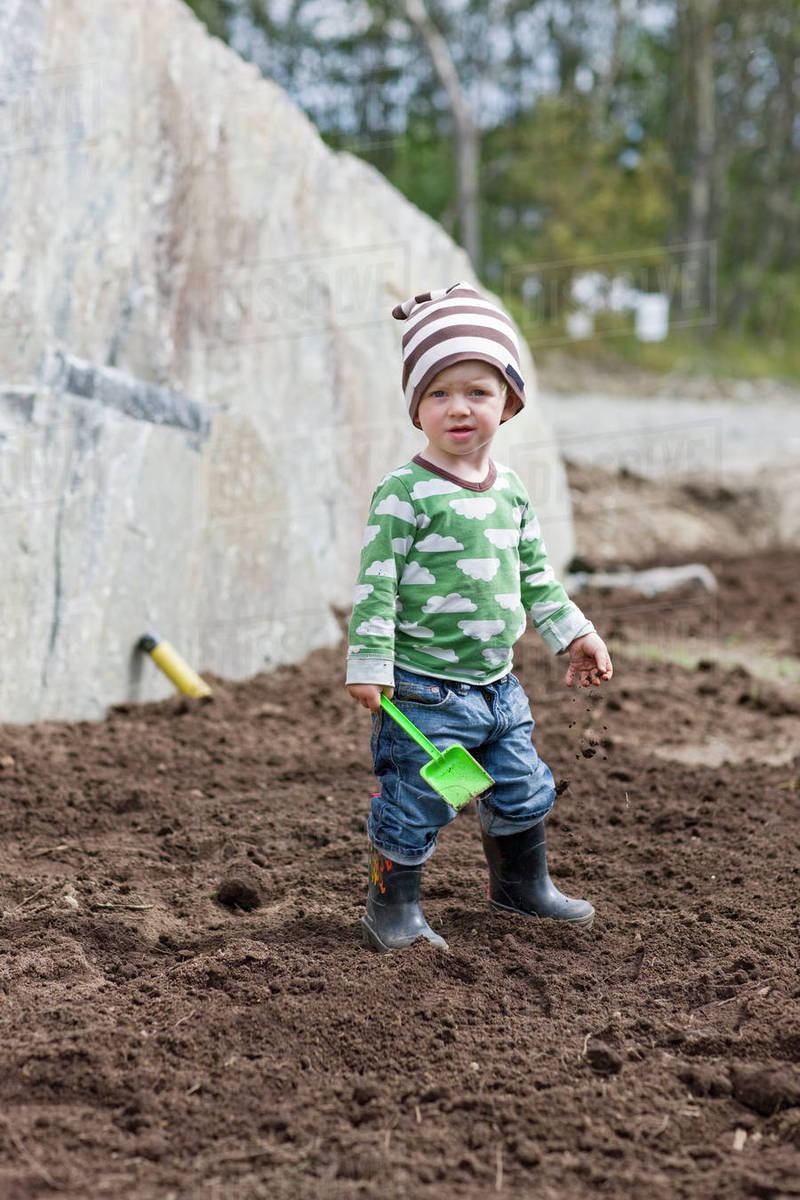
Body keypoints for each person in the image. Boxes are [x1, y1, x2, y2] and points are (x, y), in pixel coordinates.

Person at [346, 282, 613, 953]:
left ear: (509, 402)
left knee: (523, 789)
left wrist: (573, 632)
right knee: (418, 803)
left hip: (499, 688)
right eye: (437, 393)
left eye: (477, 391)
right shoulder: (404, 494)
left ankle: (521, 890)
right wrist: (370, 666)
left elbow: (536, 577)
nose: (457, 408)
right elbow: (377, 586)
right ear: (416, 410)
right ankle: (392, 911)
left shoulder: (513, 492)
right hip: (423, 693)